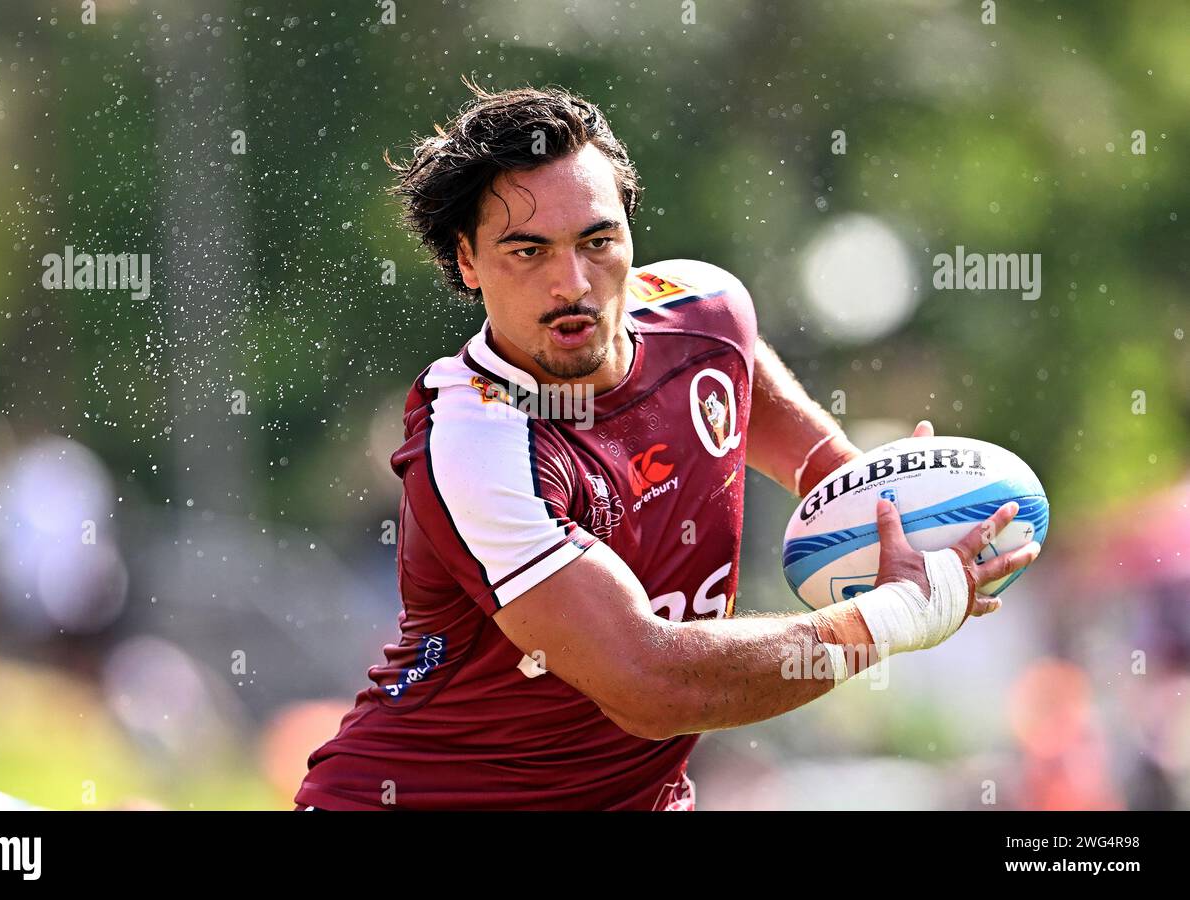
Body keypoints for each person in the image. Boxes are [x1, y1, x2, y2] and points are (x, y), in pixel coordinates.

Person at [294, 80, 1040, 811]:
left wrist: (909, 514)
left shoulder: (706, 316)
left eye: (598, 239)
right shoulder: (475, 444)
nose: (572, 283)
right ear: (466, 261)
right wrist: (893, 617)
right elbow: (651, 687)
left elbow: (830, 474)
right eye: (528, 252)